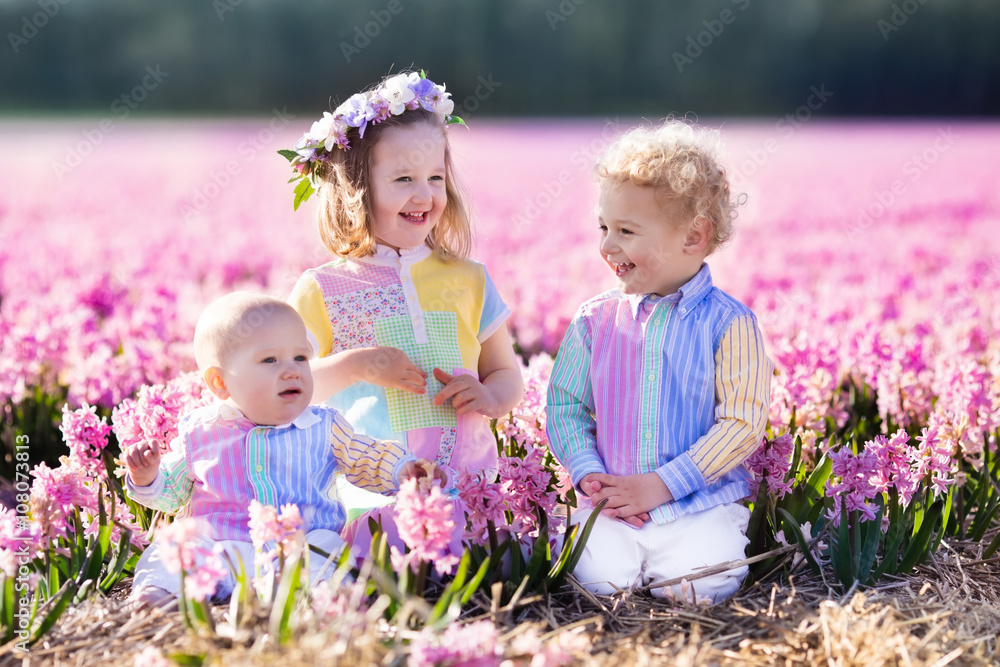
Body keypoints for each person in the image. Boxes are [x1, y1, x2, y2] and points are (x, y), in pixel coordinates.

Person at [282, 71, 523, 556]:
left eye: (435, 178)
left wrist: (489, 396)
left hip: (467, 484)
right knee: (379, 553)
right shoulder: (322, 289)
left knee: (492, 561)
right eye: (403, 179)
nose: (424, 195)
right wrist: (357, 365)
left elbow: (505, 374)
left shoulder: (469, 279)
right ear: (354, 189)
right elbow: (291, 387)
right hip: (373, 492)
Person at [546, 120, 774, 604]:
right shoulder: (593, 321)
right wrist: (589, 474)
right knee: (598, 584)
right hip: (612, 503)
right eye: (604, 227)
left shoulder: (730, 324)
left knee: (699, 586)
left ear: (694, 236)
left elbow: (742, 423)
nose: (607, 245)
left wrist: (663, 485)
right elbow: (565, 408)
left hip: (699, 503)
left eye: (626, 231)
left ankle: (673, 564)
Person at [124, 292, 443, 608]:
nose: (292, 370)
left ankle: (320, 601)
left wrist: (402, 470)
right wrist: (147, 476)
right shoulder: (201, 431)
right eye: (270, 360)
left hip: (297, 548)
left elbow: (366, 457)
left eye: (301, 358)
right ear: (220, 383)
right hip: (220, 551)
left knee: (324, 550)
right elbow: (170, 493)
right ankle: (159, 597)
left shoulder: (322, 425)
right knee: (173, 549)